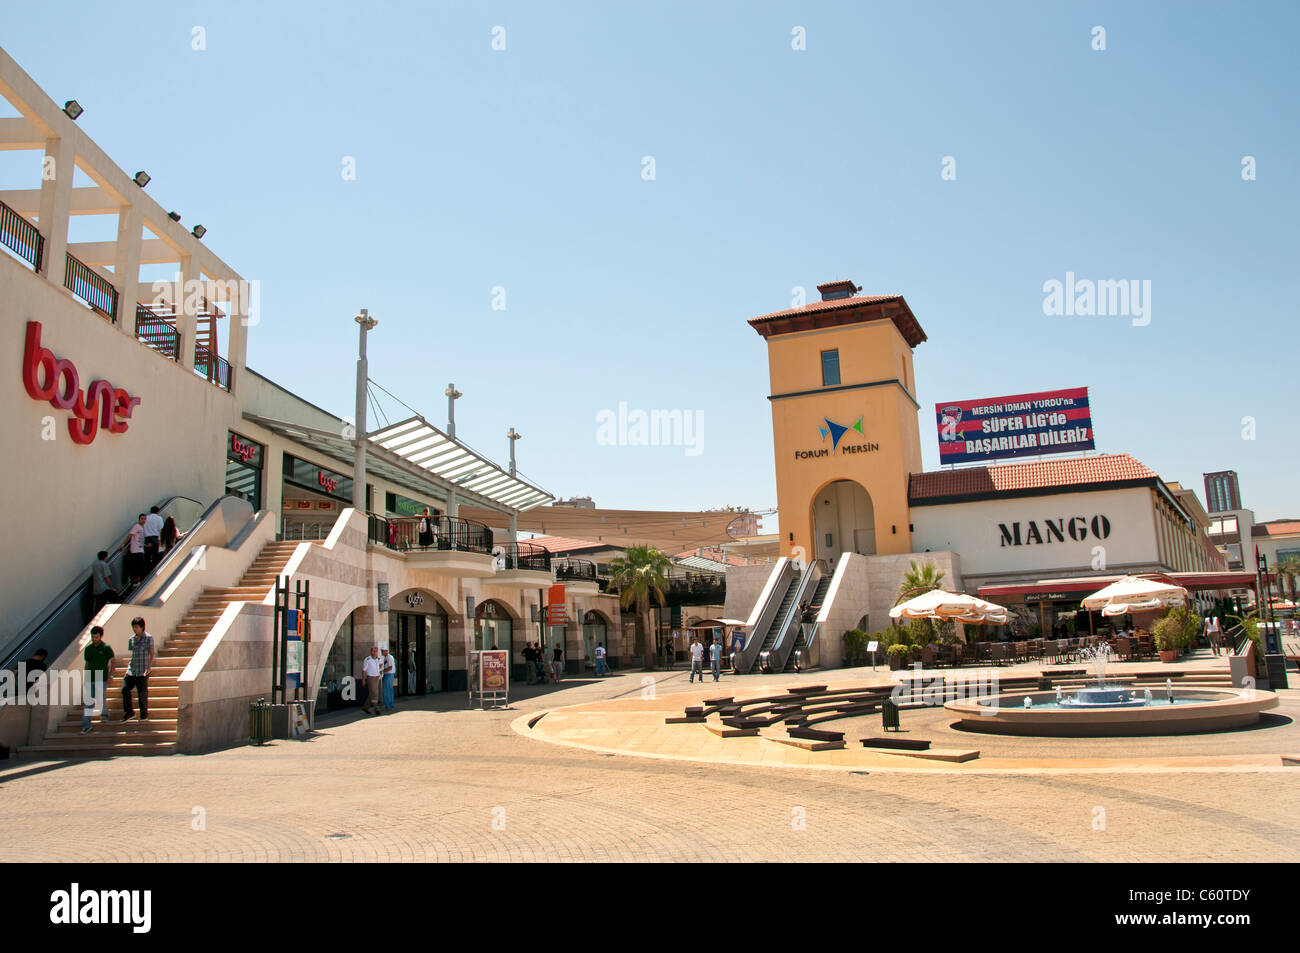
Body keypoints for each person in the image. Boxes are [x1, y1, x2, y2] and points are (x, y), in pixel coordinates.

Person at [81, 626, 115, 734]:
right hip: (90, 677)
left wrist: (111, 675)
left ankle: (104, 716)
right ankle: (86, 725)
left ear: (100, 636)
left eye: (96, 637)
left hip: (101, 677)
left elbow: (113, 661)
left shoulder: (106, 647)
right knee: (89, 702)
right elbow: (87, 663)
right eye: (93, 637)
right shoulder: (88, 649)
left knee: (101, 699)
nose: (94, 639)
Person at [121, 617, 154, 721]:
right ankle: (129, 712)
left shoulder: (148, 638)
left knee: (142, 692)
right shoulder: (132, 639)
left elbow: (152, 653)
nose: (134, 629)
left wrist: (149, 667)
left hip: (143, 670)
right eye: (133, 627)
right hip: (132, 669)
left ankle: (144, 714)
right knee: (125, 689)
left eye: (136, 627)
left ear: (142, 627)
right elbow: (132, 653)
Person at [123, 514, 147, 588]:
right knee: (138, 567)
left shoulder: (142, 528)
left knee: (141, 567)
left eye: (145, 519)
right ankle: (136, 582)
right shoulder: (136, 526)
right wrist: (123, 544)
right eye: (142, 519)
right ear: (139, 519)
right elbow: (130, 535)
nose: (143, 520)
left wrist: (146, 545)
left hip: (140, 550)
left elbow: (140, 540)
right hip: (135, 551)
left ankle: (137, 582)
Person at [361, 646, 383, 714]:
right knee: (374, 693)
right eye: (373, 651)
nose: (374, 652)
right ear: (371, 651)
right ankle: (376, 708)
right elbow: (364, 670)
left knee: (372, 693)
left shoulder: (378, 659)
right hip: (370, 677)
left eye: (376, 651)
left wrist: (380, 672)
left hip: (377, 677)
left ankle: (365, 707)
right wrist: (363, 680)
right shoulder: (368, 659)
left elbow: (380, 666)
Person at [380, 645, 396, 711]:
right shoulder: (386, 657)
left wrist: (382, 671)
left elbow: (390, 667)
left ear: (386, 651)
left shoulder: (389, 657)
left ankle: (388, 705)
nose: (381, 652)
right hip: (388, 675)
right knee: (389, 690)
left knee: (387, 690)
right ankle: (389, 705)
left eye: (382, 651)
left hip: (389, 674)